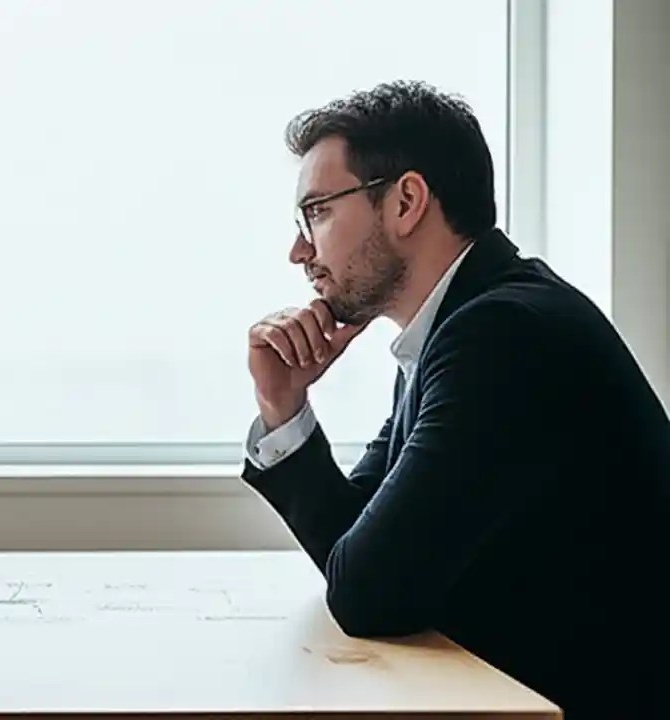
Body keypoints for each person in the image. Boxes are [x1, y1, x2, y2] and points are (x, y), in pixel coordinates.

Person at [241, 80, 670, 718]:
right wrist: (285, 406)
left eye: (319, 212)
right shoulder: (458, 326)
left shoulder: (501, 336)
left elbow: (370, 594)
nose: (300, 251)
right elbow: (357, 544)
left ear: (407, 201)